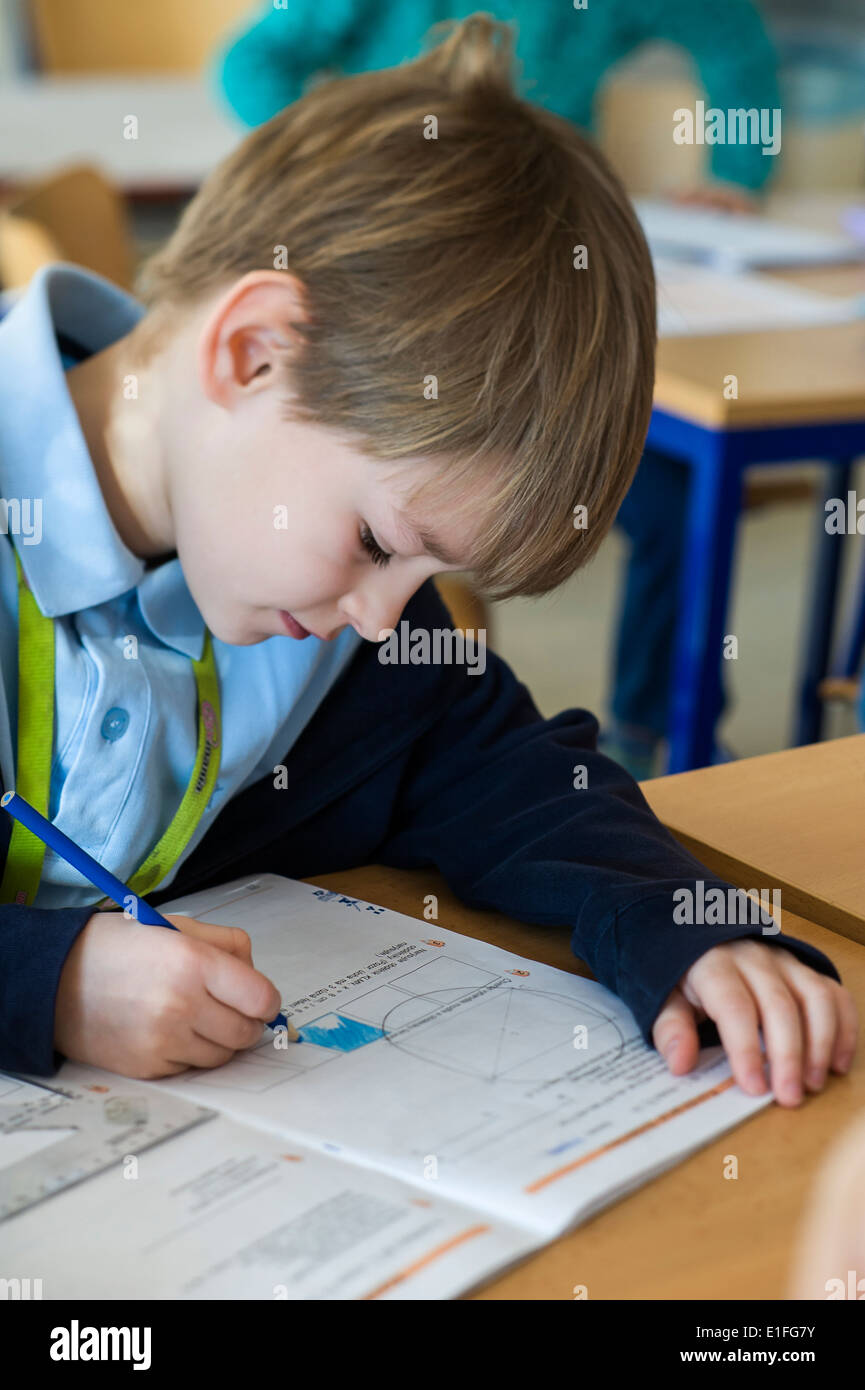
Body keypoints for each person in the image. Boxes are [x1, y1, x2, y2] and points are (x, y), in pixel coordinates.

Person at [0, 19, 853, 1111]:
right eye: (377, 542)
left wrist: (678, 922)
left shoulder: (314, 605)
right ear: (255, 353)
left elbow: (504, 769)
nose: (382, 620)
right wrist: (45, 983)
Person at [218, 0, 782, 777]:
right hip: (390, 301)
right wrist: (353, 173)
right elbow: (252, 62)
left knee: (673, 500)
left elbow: (731, 39)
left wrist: (734, 173)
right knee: (372, 519)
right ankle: (321, 754)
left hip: (536, 306)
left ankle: (650, 730)